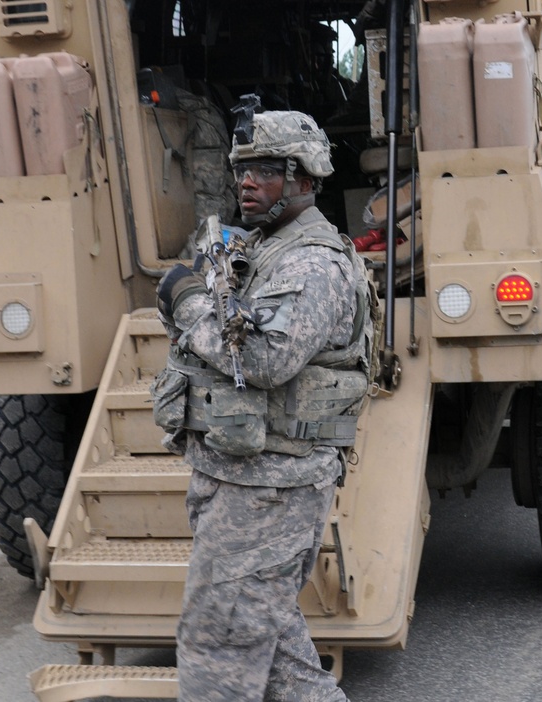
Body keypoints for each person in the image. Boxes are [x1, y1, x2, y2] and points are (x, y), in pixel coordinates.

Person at [154, 108, 373, 702]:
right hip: (242, 478)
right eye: (241, 171)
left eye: (265, 170)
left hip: (269, 488)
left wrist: (189, 301)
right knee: (276, 654)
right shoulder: (263, 248)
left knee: (218, 650)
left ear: (304, 177)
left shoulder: (312, 262)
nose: (246, 182)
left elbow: (264, 360)